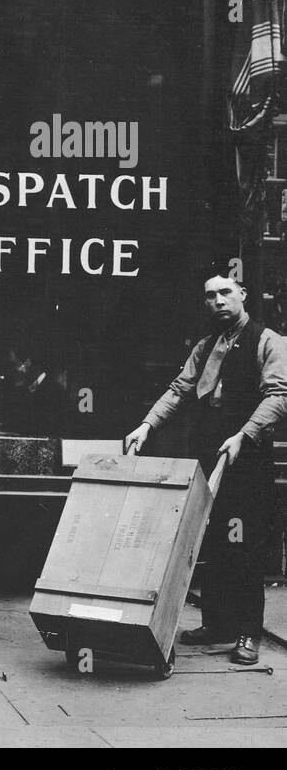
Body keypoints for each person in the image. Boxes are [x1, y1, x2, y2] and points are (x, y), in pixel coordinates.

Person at [125, 273, 287, 665]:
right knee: (209, 542)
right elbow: (179, 389)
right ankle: (217, 624)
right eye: (210, 295)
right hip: (207, 456)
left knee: (244, 548)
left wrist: (243, 436)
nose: (217, 300)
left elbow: (279, 396)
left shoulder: (269, 341)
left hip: (246, 460)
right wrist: (146, 425)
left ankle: (248, 633)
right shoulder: (205, 346)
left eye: (225, 293)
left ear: (243, 295)